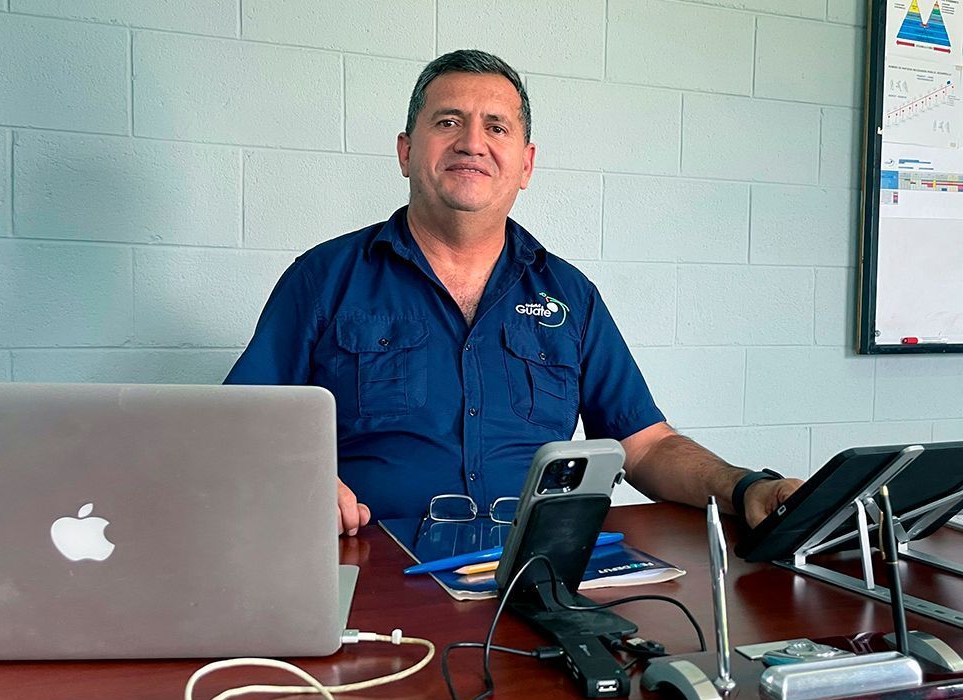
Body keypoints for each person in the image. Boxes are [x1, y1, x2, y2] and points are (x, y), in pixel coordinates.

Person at [226, 49, 803, 535]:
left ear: (525, 165)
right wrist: (298, 474)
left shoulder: (570, 295)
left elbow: (646, 445)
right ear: (406, 152)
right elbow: (237, 423)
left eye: (496, 128)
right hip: (374, 570)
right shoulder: (324, 278)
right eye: (448, 122)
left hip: (534, 572)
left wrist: (745, 487)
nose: (472, 143)